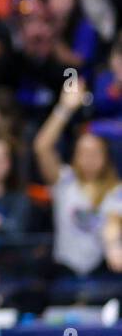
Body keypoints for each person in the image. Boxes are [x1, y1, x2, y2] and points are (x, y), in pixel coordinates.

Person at [32, 82, 122, 280]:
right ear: (75, 156)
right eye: (84, 152)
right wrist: (64, 108)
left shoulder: (116, 190)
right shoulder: (65, 181)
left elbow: (113, 221)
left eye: (95, 153)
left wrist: (113, 245)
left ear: (106, 157)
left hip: (102, 270)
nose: (89, 158)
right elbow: (42, 147)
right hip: (64, 270)